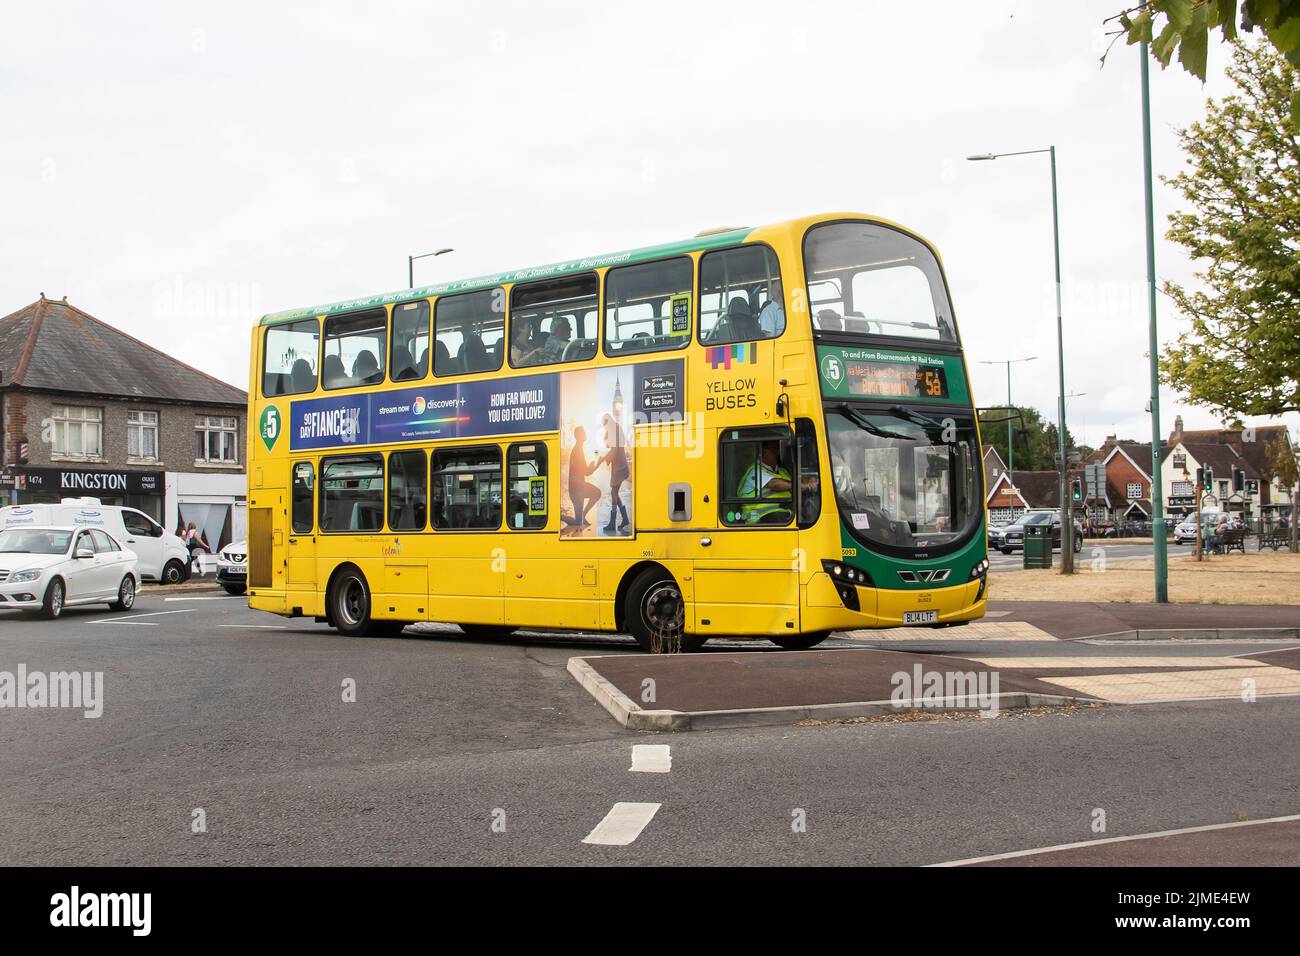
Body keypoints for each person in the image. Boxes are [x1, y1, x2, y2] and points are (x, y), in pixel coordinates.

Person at [737, 440, 813, 524]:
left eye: (777, 450)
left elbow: (797, 481)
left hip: (784, 515)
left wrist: (811, 481)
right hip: (759, 519)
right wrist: (801, 486)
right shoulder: (754, 471)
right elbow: (774, 484)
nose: (775, 453)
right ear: (762, 452)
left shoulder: (782, 471)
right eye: (772, 450)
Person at [599, 413, 630, 534]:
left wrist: (604, 459)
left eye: (605, 424)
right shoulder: (615, 428)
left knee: (614, 492)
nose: (604, 426)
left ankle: (613, 523)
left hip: (620, 467)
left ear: (608, 421)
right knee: (615, 493)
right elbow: (611, 447)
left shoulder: (614, 429)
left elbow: (614, 449)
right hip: (618, 466)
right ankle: (625, 519)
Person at [565, 426, 601, 528]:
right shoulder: (577, 450)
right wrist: (595, 465)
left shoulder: (578, 449)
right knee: (577, 522)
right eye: (584, 432)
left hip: (578, 488)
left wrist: (593, 466)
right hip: (577, 491)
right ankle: (557, 516)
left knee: (597, 493)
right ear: (579, 436)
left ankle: (583, 515)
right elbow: (586, 472)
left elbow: (585, 471)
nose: (585, 434)